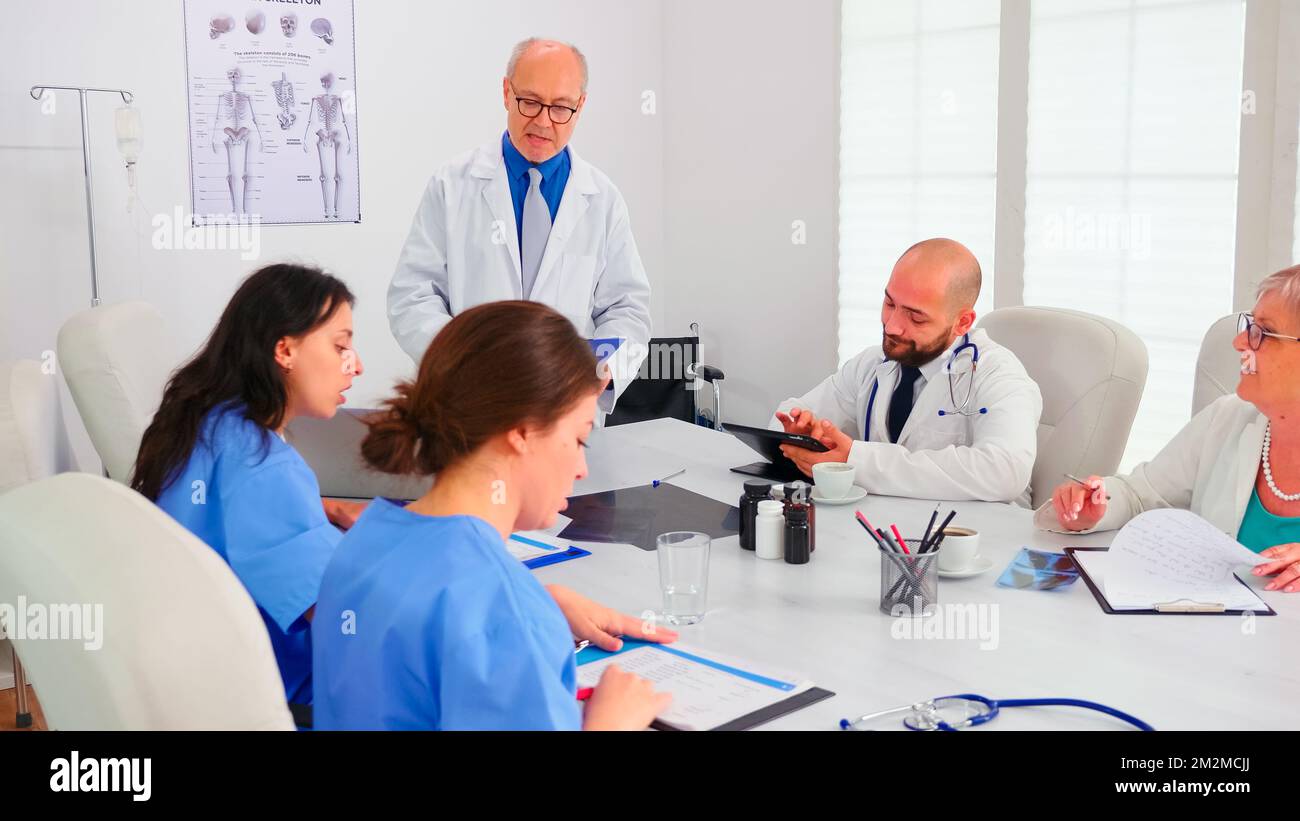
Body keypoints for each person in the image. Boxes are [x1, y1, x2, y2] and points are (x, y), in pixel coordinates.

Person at [314, 300, 673, 729]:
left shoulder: (364, 539)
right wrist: (613, 722)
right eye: (580, 439)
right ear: (520, 432)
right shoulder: (506, 611)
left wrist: (537, 603)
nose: (582, 468)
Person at [131, 263, 365, 720]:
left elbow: (221, 511)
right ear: (285, 350)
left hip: (192, 682)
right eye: (340, 345)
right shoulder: (266, 467)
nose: (356, 363)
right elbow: (345, 617)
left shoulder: (205, 421)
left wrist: (316, 509)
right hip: (286, 699)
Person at [387, 37, 651, 414]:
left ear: (581, 106)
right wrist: (463, 362)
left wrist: (602, 367)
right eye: (530, 102)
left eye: (561, 107)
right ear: (507, 92)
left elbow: (627, 307)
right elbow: (412, 296)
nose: (543, 121)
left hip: (563, 410)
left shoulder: (603, 199)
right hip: (470, 403)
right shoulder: (452, 185)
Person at [1040, 265, 1300, 593]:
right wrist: (1094, 507)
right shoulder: (1228, 417)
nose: (1239, 342)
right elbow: (1139, 495)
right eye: (1248, 326)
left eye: (1262, 331)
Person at [773, 238, 1043, 504]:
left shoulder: (998, 374)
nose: (892, 326)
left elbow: (1005, 471)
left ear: (962, 322)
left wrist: (857, 459)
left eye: (915, 317)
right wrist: (802, 433)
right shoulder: (872, 363)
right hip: (892, 532)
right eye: (890, 304)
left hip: (982, 537)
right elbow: (789, 412)